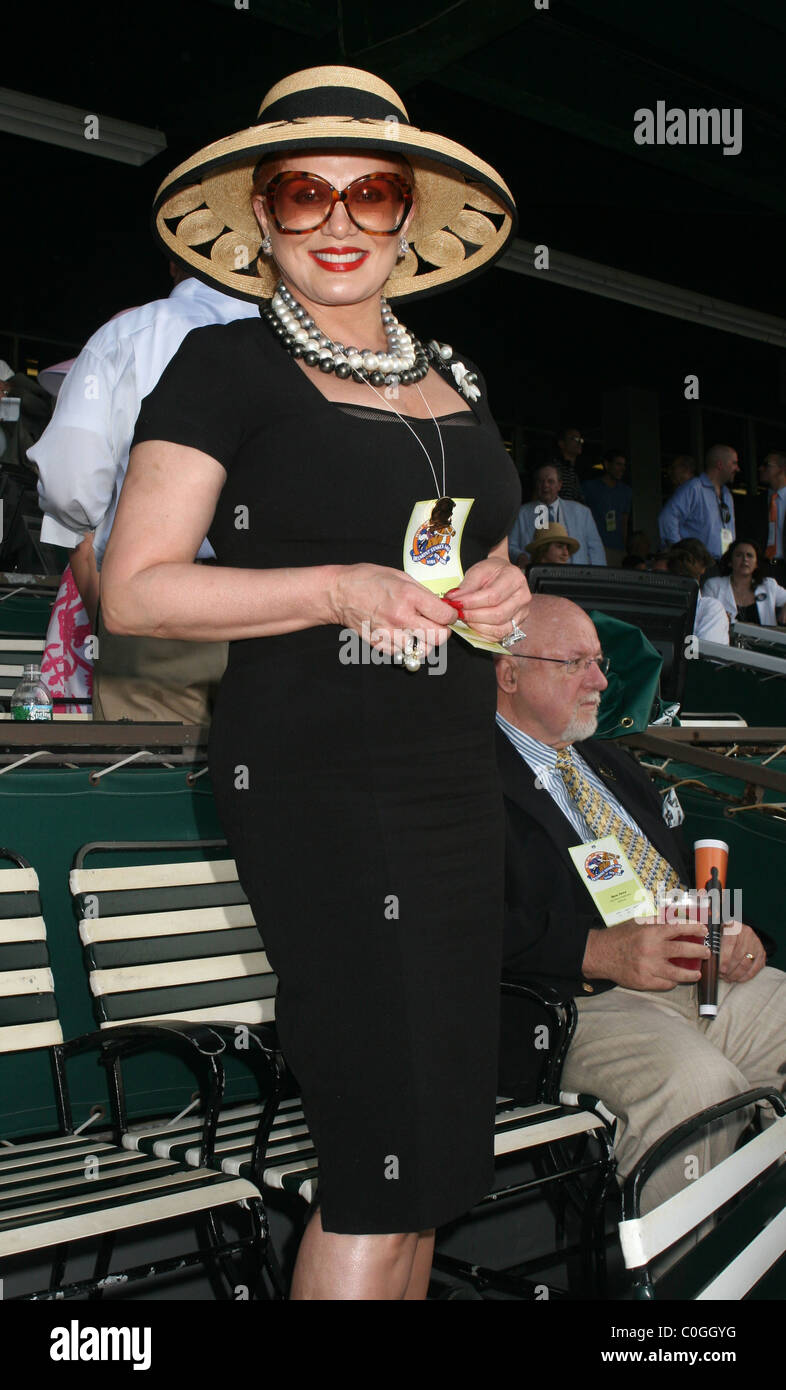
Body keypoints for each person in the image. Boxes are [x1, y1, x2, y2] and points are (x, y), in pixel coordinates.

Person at [100, 64, 528, 1300]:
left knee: (438, 1157)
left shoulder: (461, 377)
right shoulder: (223, 369)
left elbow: (472, 561)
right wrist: (339, 587)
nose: (338, 220)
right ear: (263, 216)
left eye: (371, 192)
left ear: (407, 214)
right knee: (373, 1161)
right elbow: (135, 590)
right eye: (303, 193)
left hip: (454, 780)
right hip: (321, 787)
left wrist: (502, 597)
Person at [495, 594, 786, 1213]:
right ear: (508, 671)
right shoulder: (457, 779)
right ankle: (692, 1292)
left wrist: (738, 933)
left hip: (692, 973)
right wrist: (597, 951)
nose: (602, 681)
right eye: (576, 663)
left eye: (599, 662)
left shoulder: (611, 761)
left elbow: (679, 880)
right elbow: (450, 925)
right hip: (573, 1000)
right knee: (701, 1092)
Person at [28, 264, 260, 722]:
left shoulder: (133, 332)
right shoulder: (309, 340)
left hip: (158, 604)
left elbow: (68, 485)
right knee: (276, 781)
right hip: (286, 607)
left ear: (176, 260)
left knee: (150, 777)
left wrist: (104, 563)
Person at [508, 463, 605, 566]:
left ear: (559, 485)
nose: (545, 485)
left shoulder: (582, 512)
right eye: (541, 481)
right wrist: (520, 556)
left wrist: (599, 577)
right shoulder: (521, 513)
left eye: (550, 481)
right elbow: (509, 545)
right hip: (537, 574)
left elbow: (596, 549)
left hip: (575, 575)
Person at [658, 443, 739, 561]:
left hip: (723, 565)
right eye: (734, 463)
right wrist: (680, 554)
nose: (737, 468)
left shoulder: (727, 495)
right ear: (720, 464)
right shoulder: (694, 487)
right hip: (698, 565)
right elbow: (667, 518)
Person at [705, 538, 786, 628]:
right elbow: (705, 615)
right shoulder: (713, 586)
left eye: (750, 555)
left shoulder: (769, 585)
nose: (745, 559)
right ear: (730, 562)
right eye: (739, 555)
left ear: (756, 564)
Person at [666, 540, 730, 644]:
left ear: (703, 568)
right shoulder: (655, 605)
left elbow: (700, 655)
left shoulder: (710, 608)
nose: (683, 566)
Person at [582, 450, 632, 566]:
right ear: (607, 464)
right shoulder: (590, 487)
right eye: (618, 464)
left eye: (624, 465)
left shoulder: (626, 491)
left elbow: (624, 521)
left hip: (618, 548)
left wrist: (624, 548)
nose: (622, 468)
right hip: (594, 546)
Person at [550, 425, 586, 502]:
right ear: (561, 443)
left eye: (581, 439)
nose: (579, 442)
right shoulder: (554, 469)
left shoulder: (576, 470)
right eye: (575, 439)